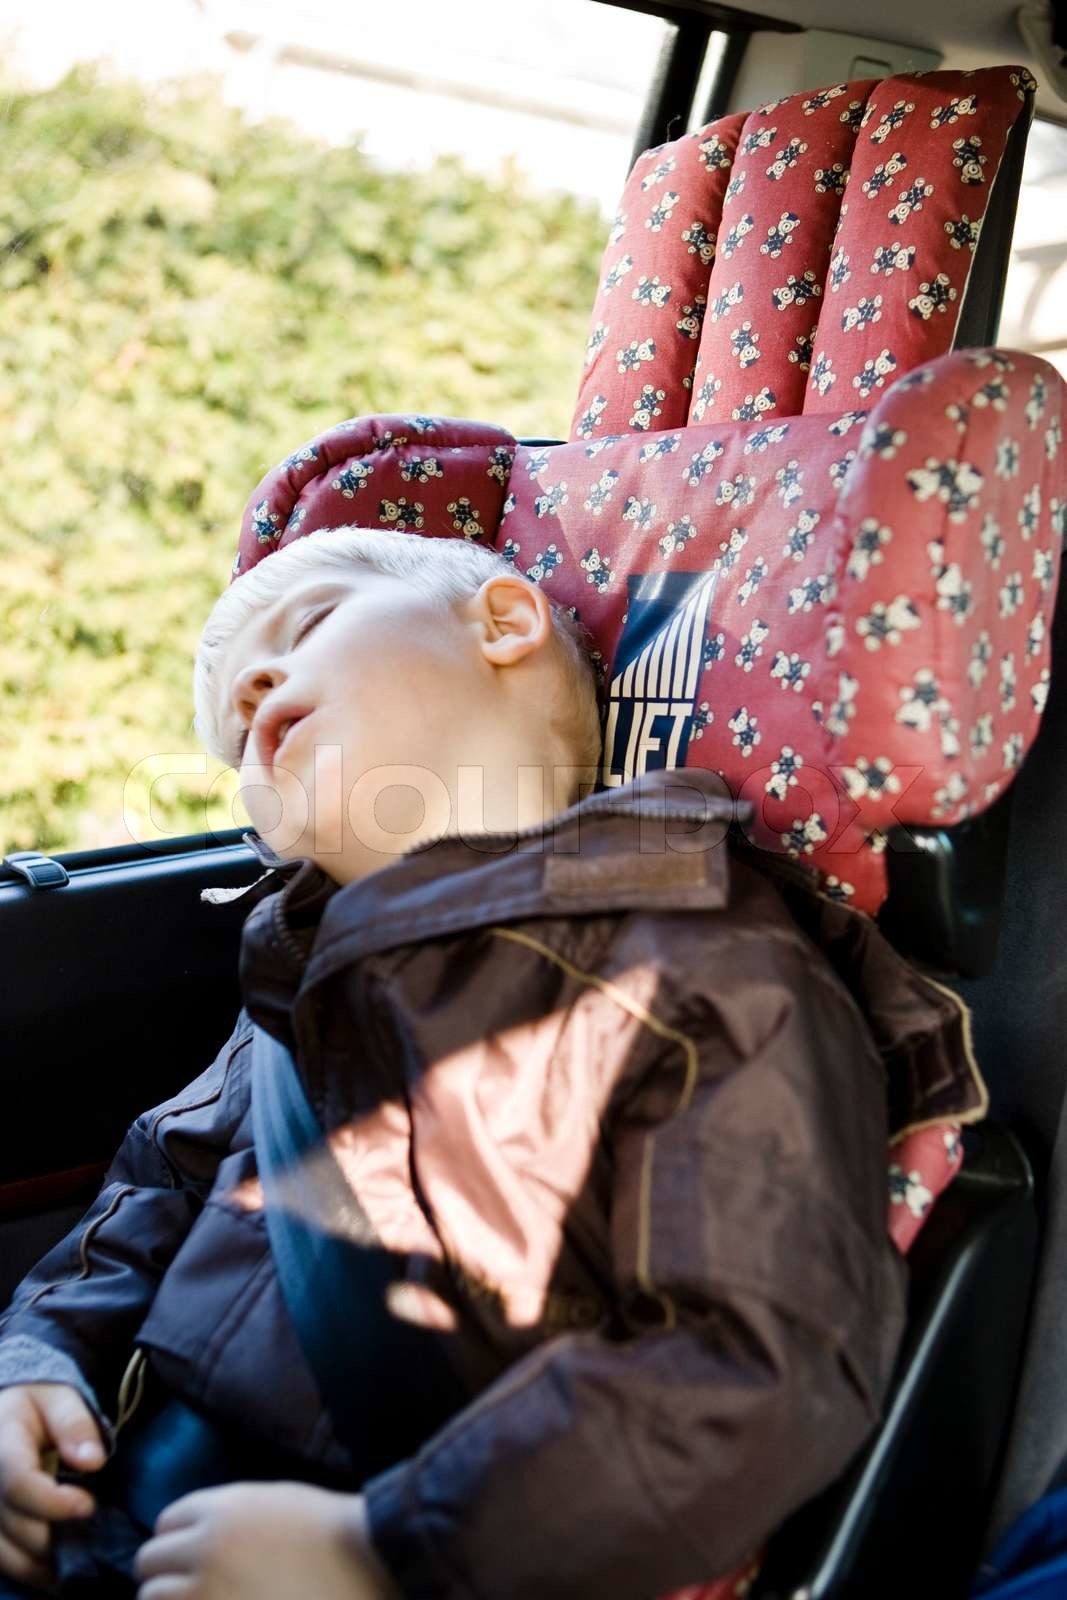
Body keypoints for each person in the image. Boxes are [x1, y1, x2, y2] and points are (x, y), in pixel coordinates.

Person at [0, 526, 982, 1599]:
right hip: (107, 1508)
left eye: (311, 626)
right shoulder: (300, 983)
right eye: (235, 738)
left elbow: (754, 1360)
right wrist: (36, 1361)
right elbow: (158, 1185)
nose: (255, 702)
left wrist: (385, 1547)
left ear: (504, 622)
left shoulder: (698, 962)